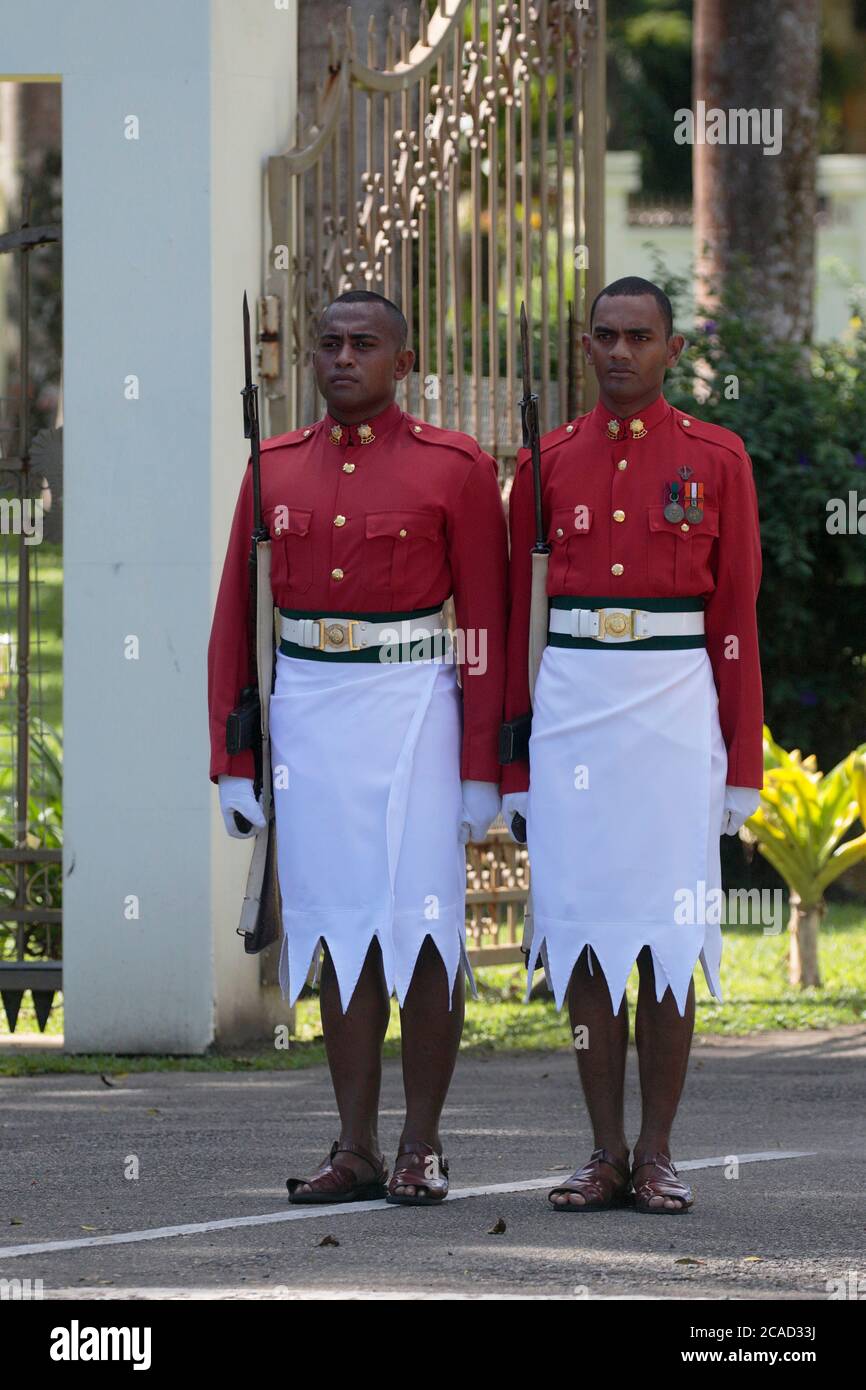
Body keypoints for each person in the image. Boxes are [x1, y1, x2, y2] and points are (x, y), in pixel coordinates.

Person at [208, 290, 506, 1205]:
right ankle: (355, 1147)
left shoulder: (455, 468)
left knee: (422, 934)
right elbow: (235, 618)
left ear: (402, 362)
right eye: (329, 344)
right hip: (309, 710)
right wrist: (235, 758)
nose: (343, 358)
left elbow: (489, 622)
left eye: (364, 344)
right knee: (340, 932)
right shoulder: (274, 469)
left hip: (417, 701)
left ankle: (421, 1146)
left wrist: (484, 768)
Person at [501, 276, 763, 1213]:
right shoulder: (543, 464)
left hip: (673, 706)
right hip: (573, 699)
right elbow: (508, 620)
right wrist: (514, 765)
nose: (619, 352)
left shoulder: (717, 458)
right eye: (604, 336)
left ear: (672, 350)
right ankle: (602, 1151)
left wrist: (742, 765)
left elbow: (735, 619)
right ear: (585, 344)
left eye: (638, 336)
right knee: (579, 933)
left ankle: (657, 1152)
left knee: (667, 932)